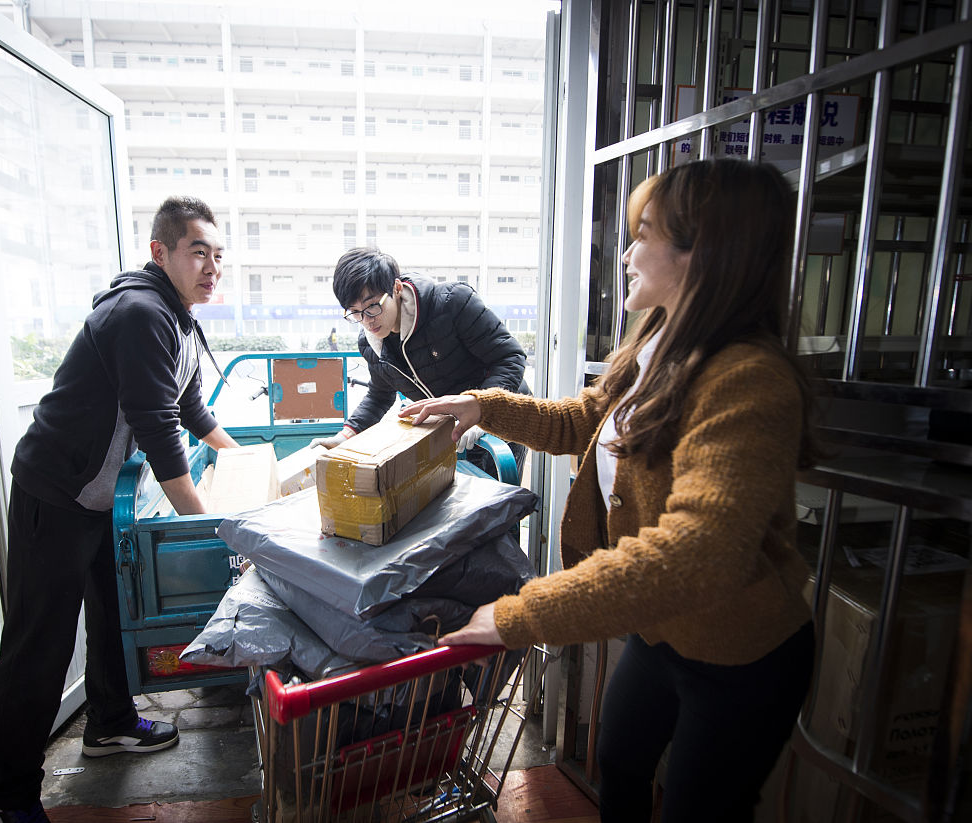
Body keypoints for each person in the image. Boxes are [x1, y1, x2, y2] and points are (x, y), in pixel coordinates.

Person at [401, 159, 817, 822]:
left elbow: (695, 555)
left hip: (742, 653)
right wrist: (479, 407)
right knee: (620, 762)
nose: (626, 253)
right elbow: (585, 421)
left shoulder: (749, 380)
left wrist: (517, 616)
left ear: (702, 252)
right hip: (661, 630)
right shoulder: (658, 340)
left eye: (644, 233)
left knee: (697, 807)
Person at [0, 196, 241, 823]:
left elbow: (189, 409)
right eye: (198, 252)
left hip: (97, 494)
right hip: (57, 491)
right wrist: (206, 523)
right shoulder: (139, 314)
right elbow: (156, 427)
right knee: (37, 645)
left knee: (112, 613)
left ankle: (111, 722)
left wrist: (246, 459)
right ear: (162, 252)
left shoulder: (176, 318)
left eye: (218, 256)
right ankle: (5, 793)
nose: (212, 268)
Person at [312, 247, 529, 478]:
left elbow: (510, 357)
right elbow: (379, 395)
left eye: (372, 306)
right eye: (355, 313)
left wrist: (480, 407)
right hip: (451, 431)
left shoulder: (451, 303)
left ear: (396, 288)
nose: (366, 321)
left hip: (499, 415)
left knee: (494, 502)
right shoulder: (372, 344)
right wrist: (345, 435)